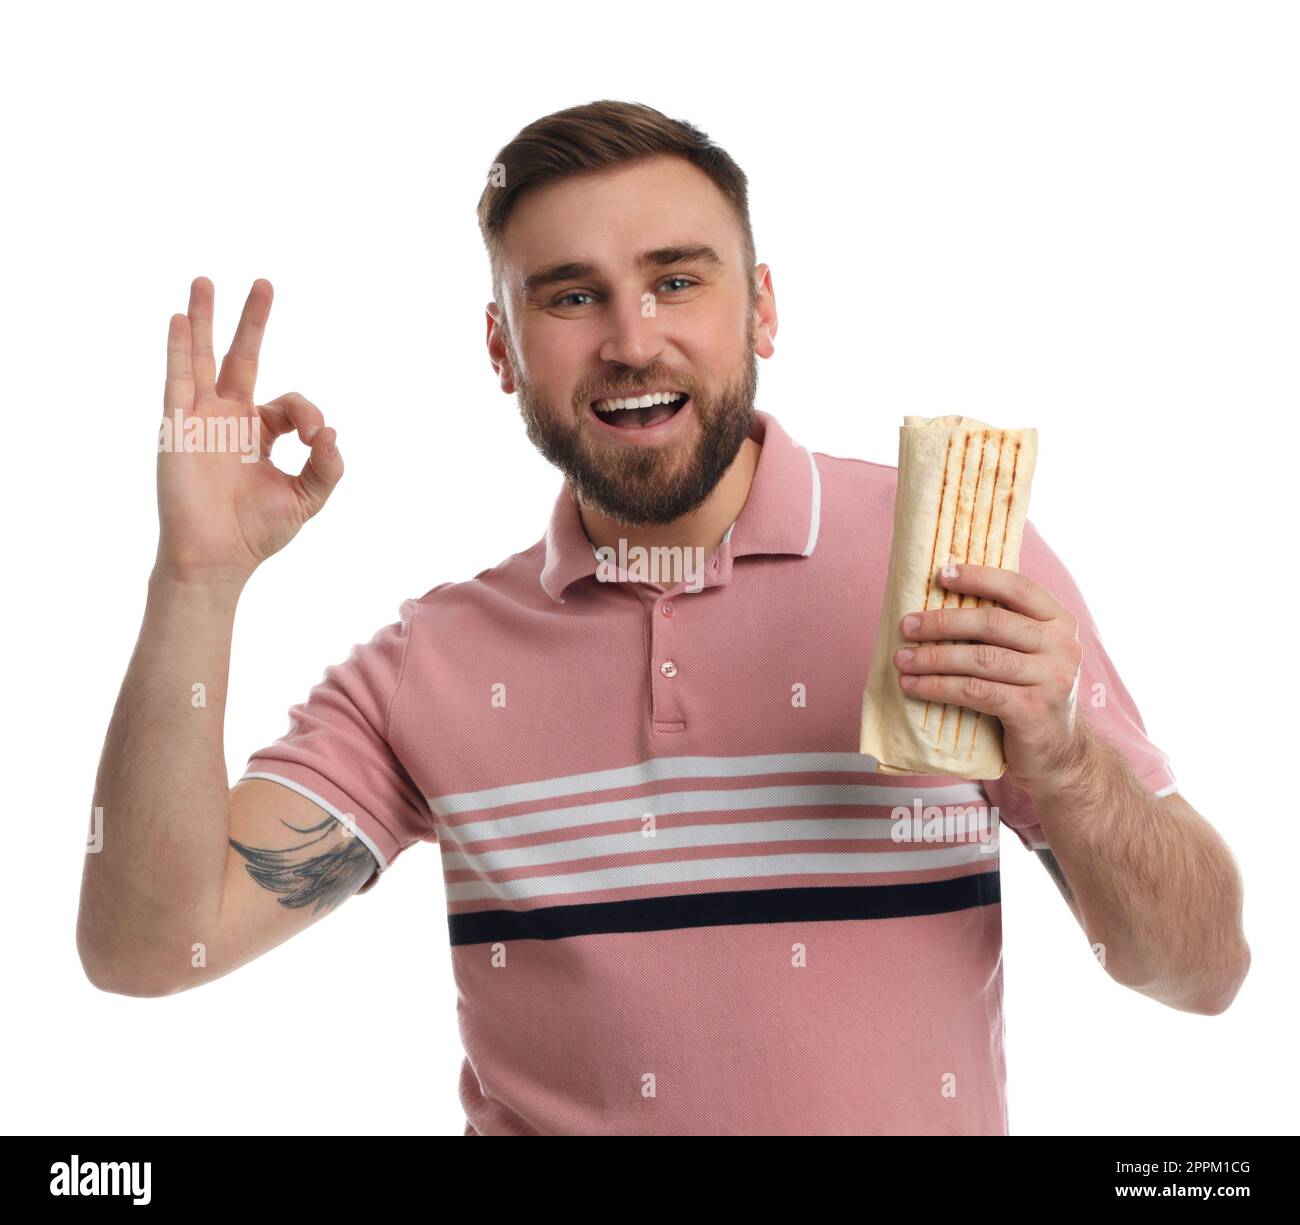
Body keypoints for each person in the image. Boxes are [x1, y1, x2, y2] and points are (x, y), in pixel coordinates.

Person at [79, 99, 1249, 1136]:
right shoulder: (427, 668)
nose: (632, 340)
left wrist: (1064, 757)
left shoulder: (949, 572)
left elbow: (1200, 972)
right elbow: (146, 947)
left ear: (764, 309)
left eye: (676, 279)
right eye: (572, 295)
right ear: (502, 347)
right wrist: (196, 578)